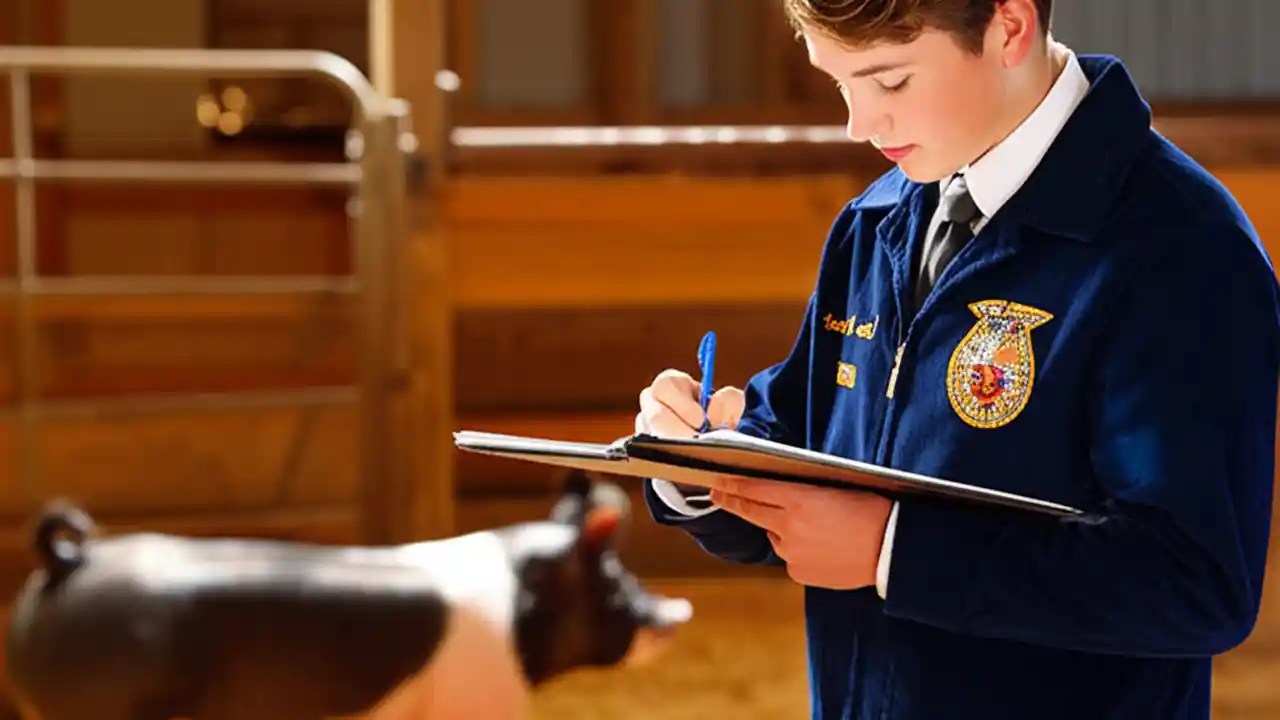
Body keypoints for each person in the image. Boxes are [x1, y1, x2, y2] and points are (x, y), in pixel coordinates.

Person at [635, 1, 1280, 718]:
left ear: (1010, 27)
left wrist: (893, 553)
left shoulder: (1182, 248)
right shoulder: (877, 219)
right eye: (840, 83)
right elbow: (804, 447)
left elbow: (1195, 583)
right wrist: (696, 460)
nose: (858, 123)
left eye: (891, 81)